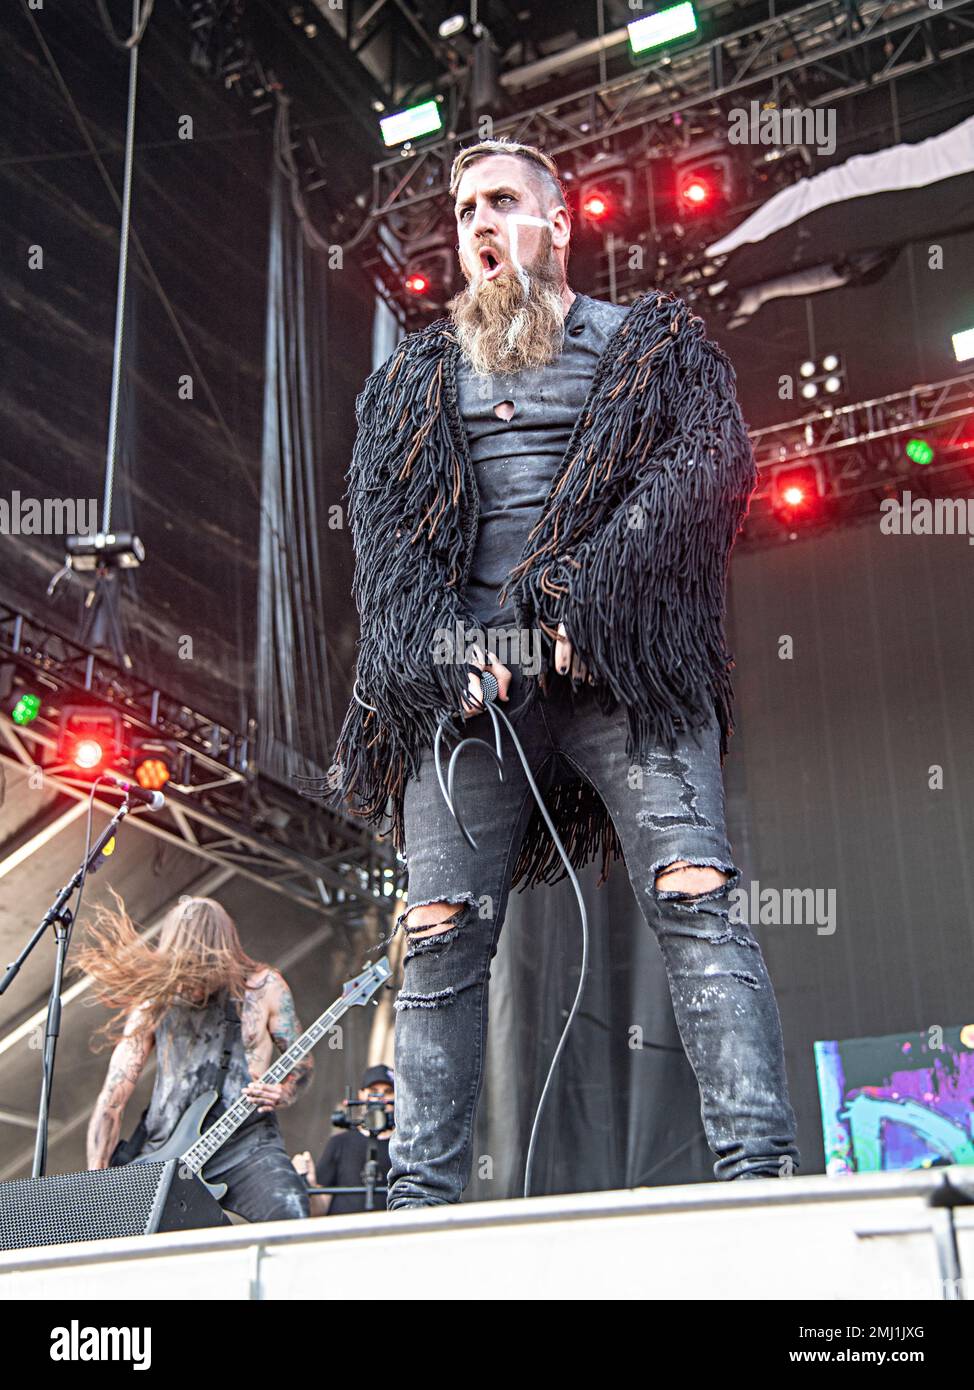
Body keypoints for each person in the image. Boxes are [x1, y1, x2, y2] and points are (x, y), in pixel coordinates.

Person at [322, 137, 801, 1206]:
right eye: (462, 212)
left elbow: (704, 468)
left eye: (501, 202)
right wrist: (443, 648)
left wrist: (598, 596)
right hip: (470, 689)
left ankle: (759, 1172)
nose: (478, 224)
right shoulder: (413, 376)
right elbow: (389, 543)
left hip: (617, 669)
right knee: (438, 929)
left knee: (695, 894)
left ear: (558, 219)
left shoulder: (643, 342)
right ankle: (416, 1203)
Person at [82, 893, 313, 1222]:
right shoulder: (154, 1000)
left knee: (289, 1213)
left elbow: (302, 1064)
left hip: (246, 1144)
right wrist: (96, 1181)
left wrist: (284, 1091)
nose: (194, 987)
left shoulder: (263, 988)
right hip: (166, 1151)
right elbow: (113, 1096)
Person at [292, 1064, 395, 1215]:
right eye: (373, 1091)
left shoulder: (404, 1146)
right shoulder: (339, 1143)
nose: (380, 1098)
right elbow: (318, 1211)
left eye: (388, 1092)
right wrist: (310, 1184)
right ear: (361, 1095)